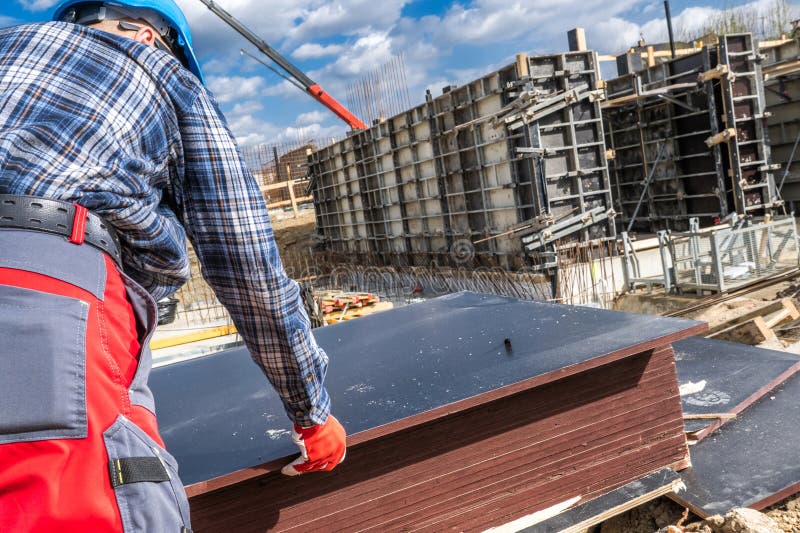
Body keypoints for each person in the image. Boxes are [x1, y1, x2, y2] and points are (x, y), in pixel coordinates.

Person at [0, 1, 345, 530]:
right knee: (91, 503)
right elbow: (246, 264)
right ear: (146, 34)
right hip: (44, 289)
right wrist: (311, 409)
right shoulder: (161, 74)